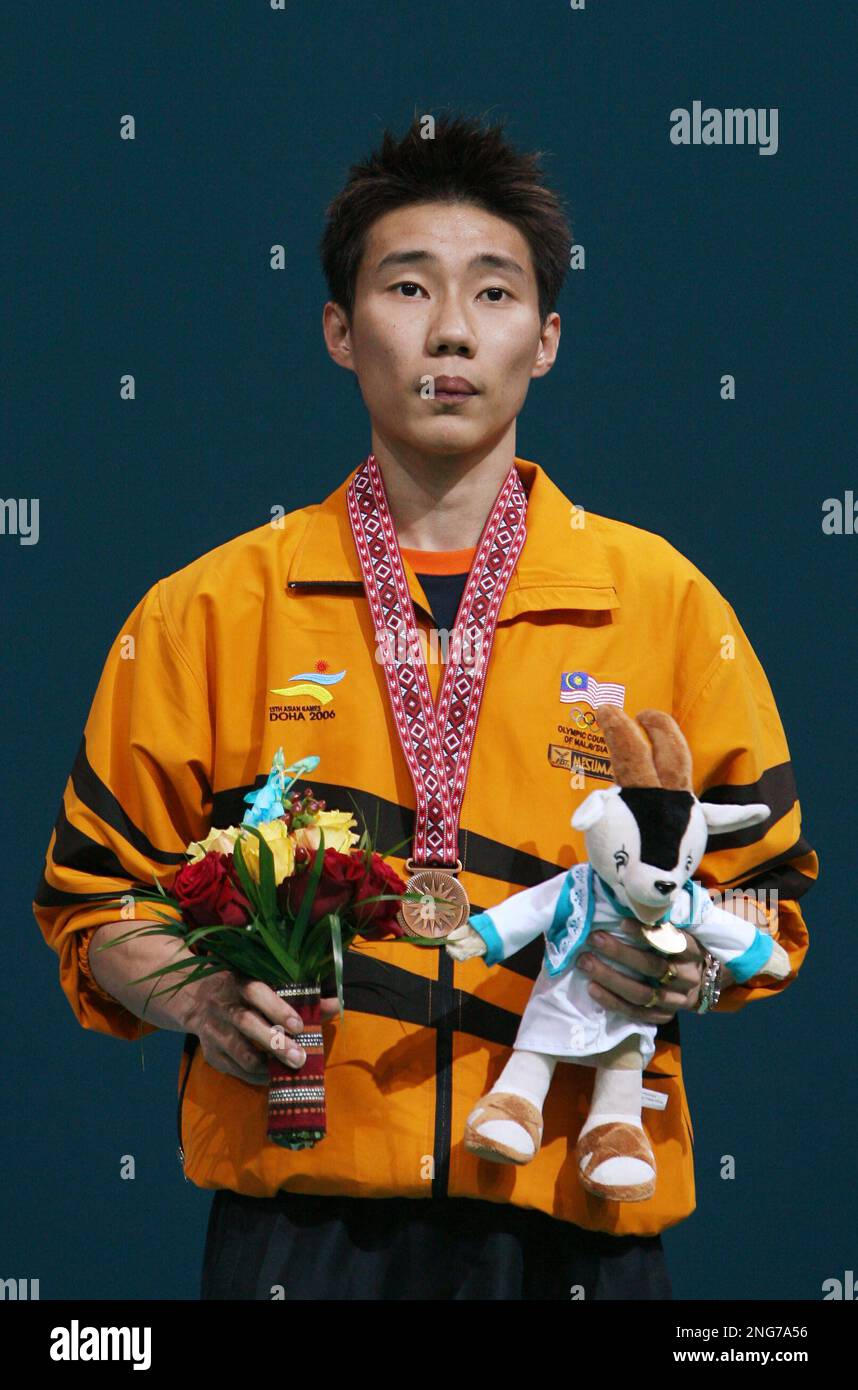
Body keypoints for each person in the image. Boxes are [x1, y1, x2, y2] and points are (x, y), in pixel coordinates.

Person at [33, 112, 818, 1300]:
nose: (450, 330)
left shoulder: (661, 603)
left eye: (495, 295)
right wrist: (190, 991)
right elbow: (93, 899)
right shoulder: (209, 609)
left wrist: (689, 972)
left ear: (546, 338)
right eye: (408, 287)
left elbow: (772, 897)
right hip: (297, 1235)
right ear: (342, 331)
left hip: (579, 1227)